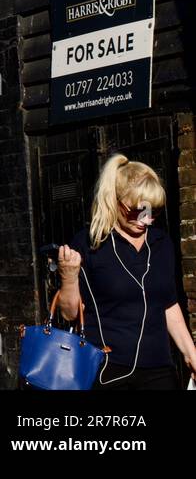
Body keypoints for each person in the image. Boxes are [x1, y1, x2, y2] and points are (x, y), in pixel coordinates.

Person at [57, 153, 196, 389]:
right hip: (107, 369)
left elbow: (168, 304)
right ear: (116, 201)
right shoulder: (90, 244)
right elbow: (70, 314)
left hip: (159, 368)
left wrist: (191, 354)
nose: (147, 220)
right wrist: (68, 275)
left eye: (154, 212)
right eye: (138, 211)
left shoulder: (161, 244)